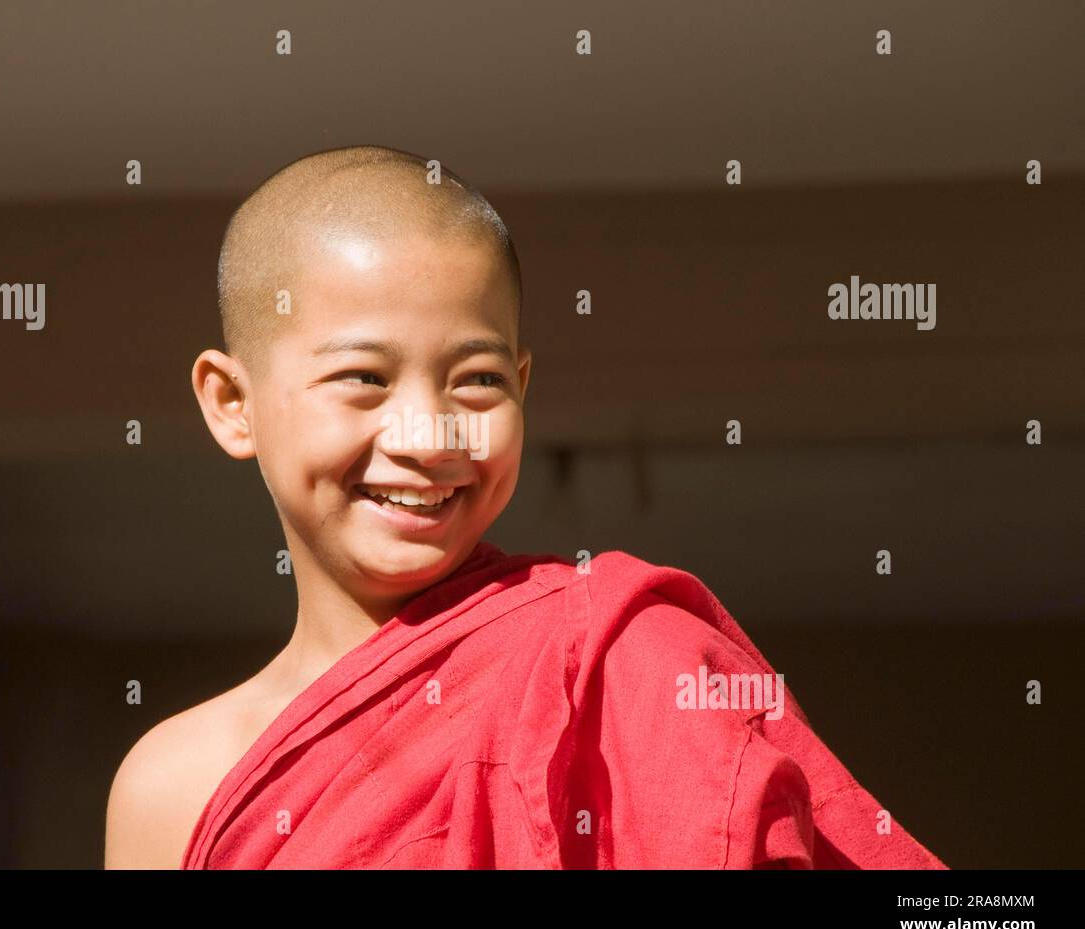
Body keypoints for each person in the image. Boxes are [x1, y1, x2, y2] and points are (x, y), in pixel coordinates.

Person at [103, 145, 946, 869]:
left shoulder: (621, 657)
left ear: (524, 385)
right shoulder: (173, 787)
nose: (429, 434)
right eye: (364, 377)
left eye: (477, 380)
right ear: (231, 401)